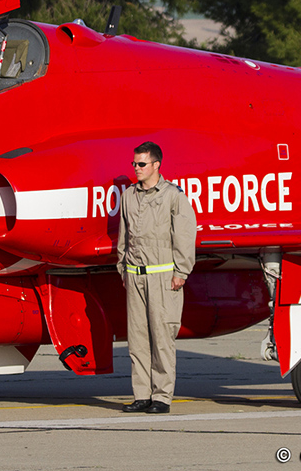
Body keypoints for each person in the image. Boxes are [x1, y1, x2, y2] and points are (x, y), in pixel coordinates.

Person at [116, 141, 196, 414]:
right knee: (137, 339)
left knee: (162, 338)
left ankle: (162, 397)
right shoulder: (128, 196)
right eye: (134, 164)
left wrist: (181, 271)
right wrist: (122, 267)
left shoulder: (174, 196)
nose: (136, 169)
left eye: (141, 164)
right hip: (135, 276)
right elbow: (123, 237)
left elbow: (185, 235)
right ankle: (142, 394)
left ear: (156, 166)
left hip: (162, 278)